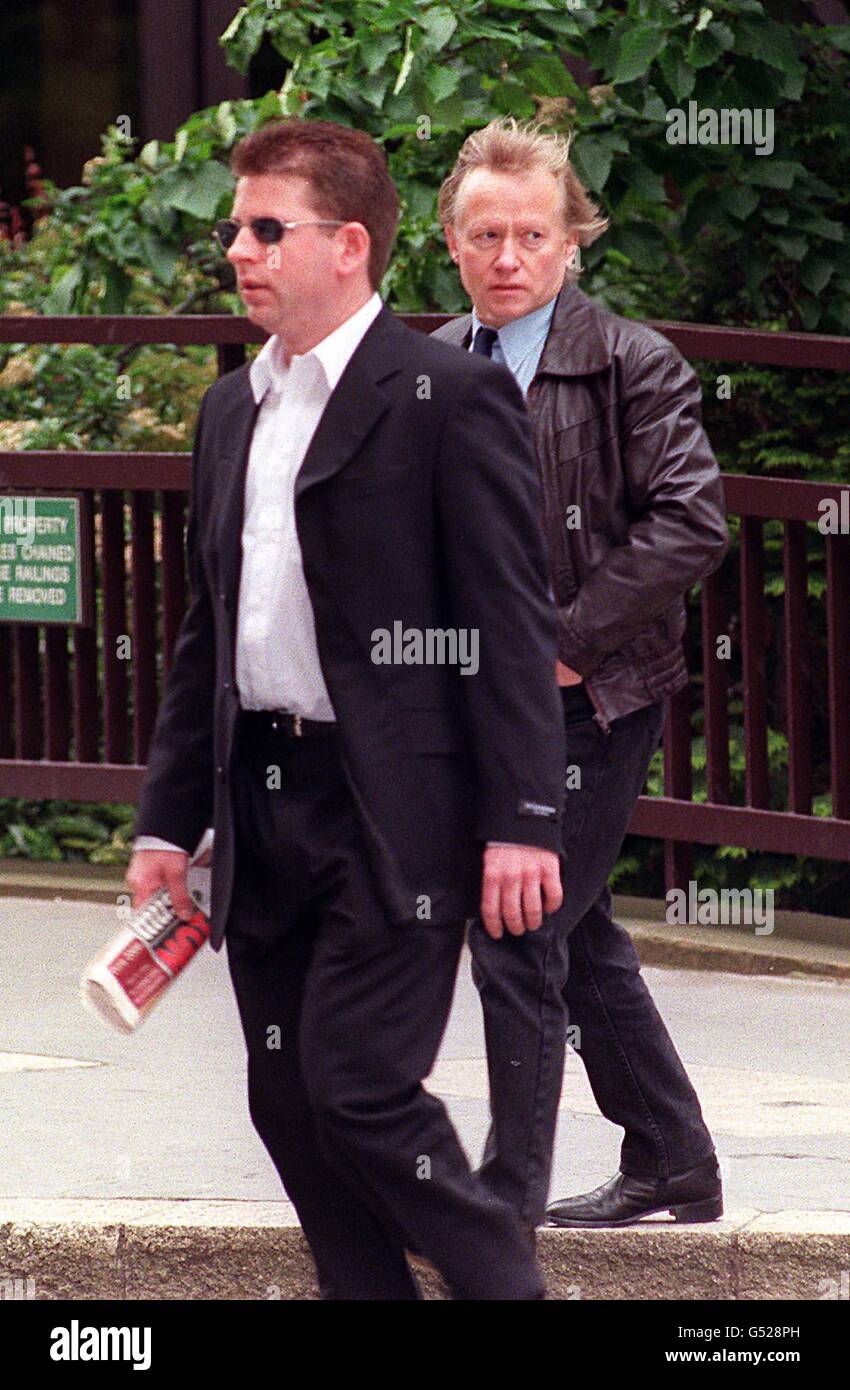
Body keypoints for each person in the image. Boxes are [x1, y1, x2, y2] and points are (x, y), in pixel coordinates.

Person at [126, 118, 567, 1299]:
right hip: (260, 805)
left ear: (349, 244)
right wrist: (167, 822)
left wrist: (523, 819)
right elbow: (208, 633)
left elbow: (509, 622)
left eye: (267, 229)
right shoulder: (233, 409)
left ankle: (506, 1287)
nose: (239, 251)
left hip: (393, 809)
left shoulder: (447, 397)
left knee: (359, 1088)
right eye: (237, 229)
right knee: (287, 1101)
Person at [433, 118, 729, 1231]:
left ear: (571, 243)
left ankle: (502, 1205)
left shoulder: (629, 362)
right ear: (453, 245)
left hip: (591, 697)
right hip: (472, 697)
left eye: (531, 235)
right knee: (578, 921)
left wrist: (564, 645)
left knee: (517, 928)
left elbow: (691, 522)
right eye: (486, 235)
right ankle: (672, 1156)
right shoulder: (431, 364)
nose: (508, 256)